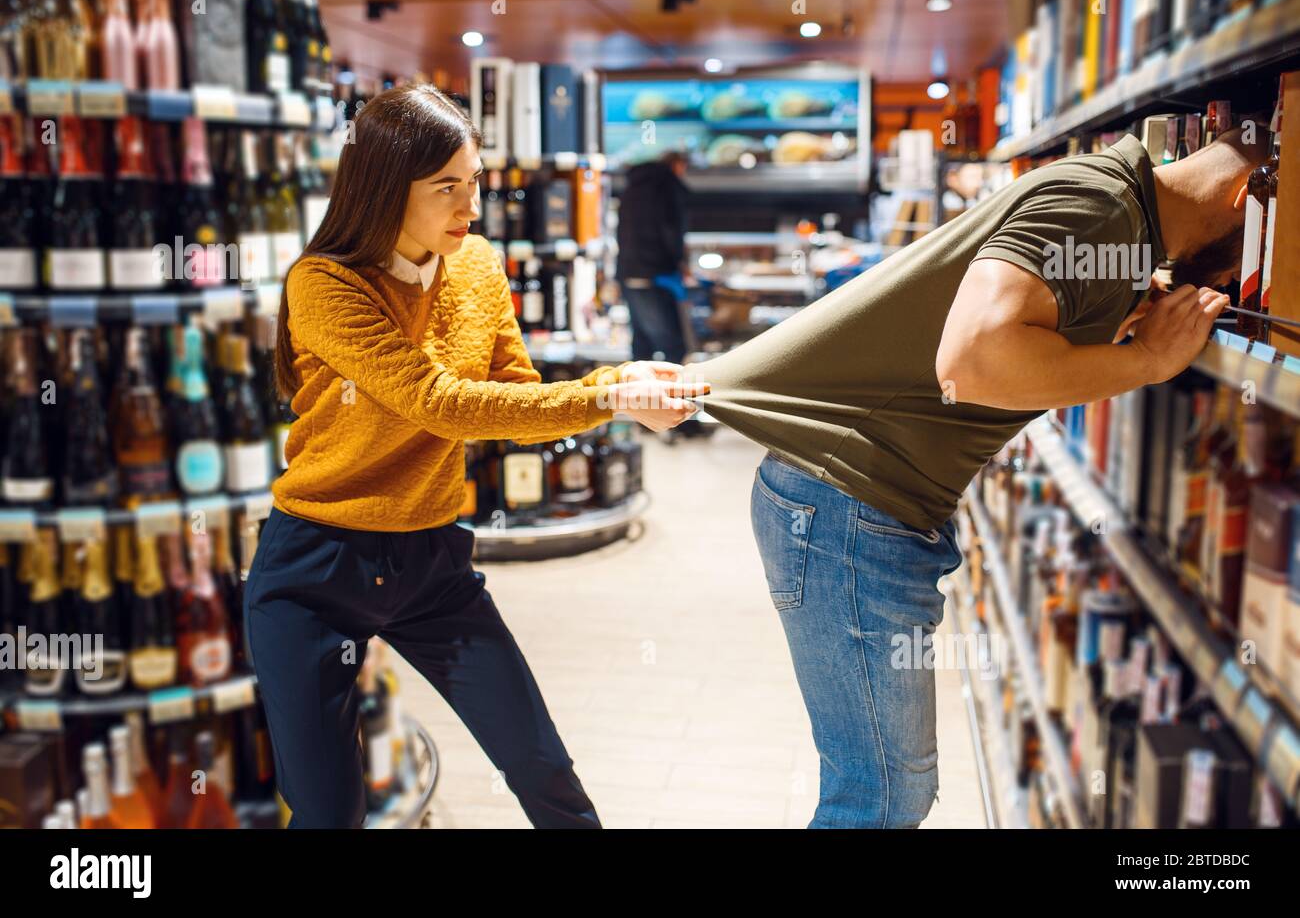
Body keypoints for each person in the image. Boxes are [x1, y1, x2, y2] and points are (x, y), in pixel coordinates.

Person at [683, 126, 1266, 828]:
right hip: (848, 505)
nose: (1236, 283)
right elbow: (973, 361)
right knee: (880, 796)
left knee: (887, 790)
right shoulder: (1104, 210)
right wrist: (1143, 361)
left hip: (857, 505)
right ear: (1246, 199)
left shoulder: (1117, 214)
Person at [245, 84, 706, 828]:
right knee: (329, 810)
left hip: (432, 560)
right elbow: (441, 402)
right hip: (314, 569)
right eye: (447, 187)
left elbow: (513, 398)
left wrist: (622, 401)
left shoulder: (480, 266)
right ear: (386, 187)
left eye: (477, 181)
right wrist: (608, 392)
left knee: (542, 765)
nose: (473, 206)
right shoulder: (323, 284)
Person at [615, 150, 691, 364]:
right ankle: (672, 395)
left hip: (629, 271)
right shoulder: (666, 187)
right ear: (677, 165)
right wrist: (678, 262)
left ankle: (637, 395)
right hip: (655, 273)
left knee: (641, 345)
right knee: (672, 346)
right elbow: (671, 230)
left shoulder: (634, 186)